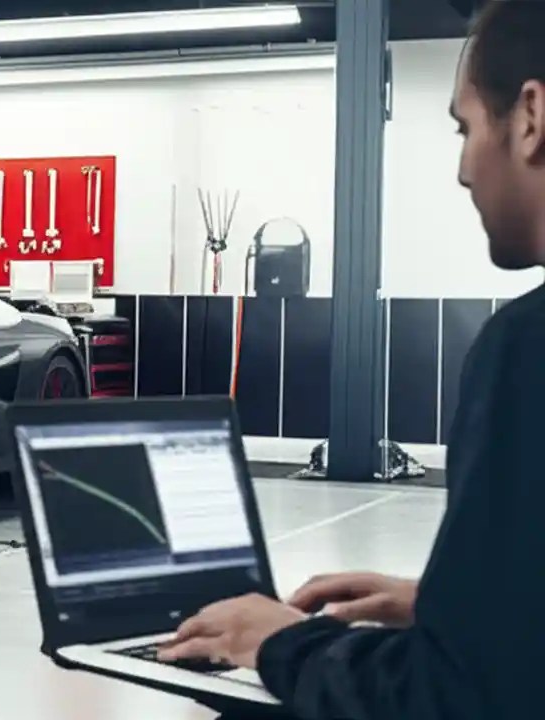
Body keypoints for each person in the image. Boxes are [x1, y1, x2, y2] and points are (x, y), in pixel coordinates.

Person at [158, 2, 545, 718]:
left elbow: (453, 701)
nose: (462, 170)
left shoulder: (525, 352)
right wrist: (455, 607)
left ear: (529, 117)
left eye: (464, 128)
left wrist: (280, 644)